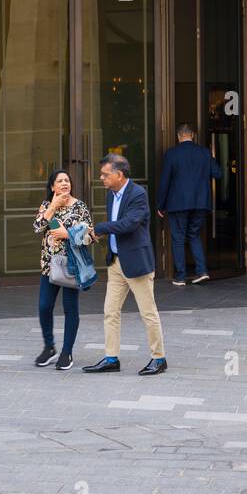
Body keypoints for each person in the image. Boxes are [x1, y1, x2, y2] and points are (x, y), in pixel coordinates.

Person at [82, 154, 167, 377]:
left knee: (148, 313)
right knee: (110, 311)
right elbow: (117, 225)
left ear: (119, 174)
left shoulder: (138, 194)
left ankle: (159, 359)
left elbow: (129, 224)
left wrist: (100, 228)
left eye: (105, 174)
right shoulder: (111, 194)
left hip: (137, 263)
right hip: (116, 262)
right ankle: (111, 358)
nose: (101, 178)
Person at [32, 169, 95, 371]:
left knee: (70, 309)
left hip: (71, 267)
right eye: (59, 181)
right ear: (52, 187)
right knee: (44, 306)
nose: (64, 184)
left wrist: (67, 234)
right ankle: (49, 347)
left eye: (67, 180)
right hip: (49, 266)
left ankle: (67, 352)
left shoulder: (80, 207)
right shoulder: (45, 205)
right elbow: (37, 228)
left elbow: (91, 236)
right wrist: (53, 206)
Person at [157, 122, 222, 285]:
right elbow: (218, 173)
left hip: (177, 203)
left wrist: (161, 205)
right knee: (194, 235)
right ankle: (202, 271)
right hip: (201, 202)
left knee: (178, 238)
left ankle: (180, 277)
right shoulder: (205, 153)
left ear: (178, 137)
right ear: (192, 135)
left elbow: (165, 181)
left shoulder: (172, 154)